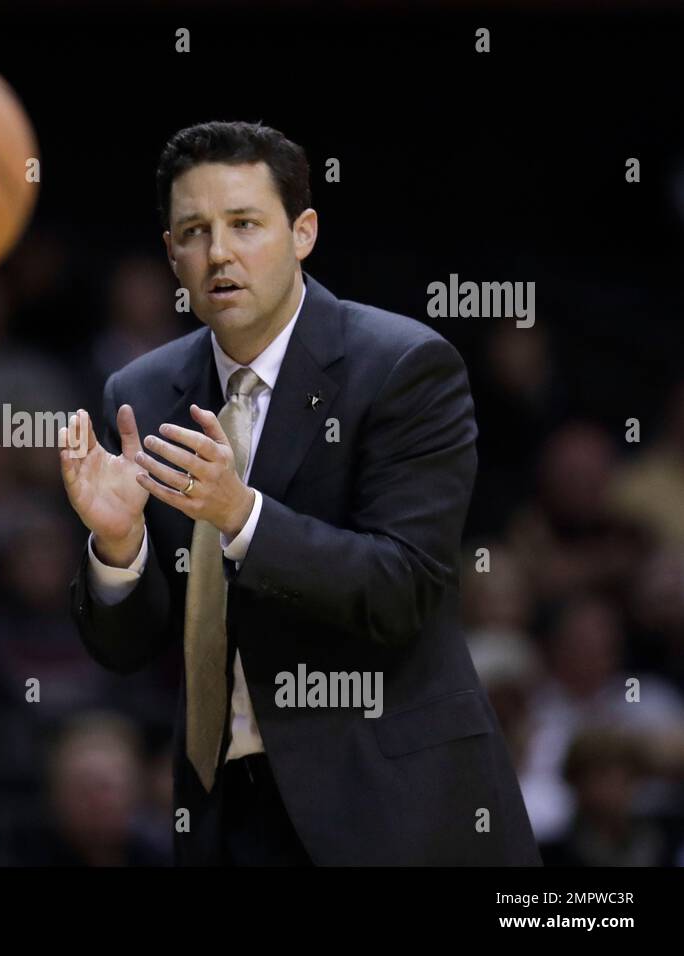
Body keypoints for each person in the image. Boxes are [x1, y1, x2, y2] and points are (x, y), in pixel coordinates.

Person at [60, 120, 540, 865]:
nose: (218, 252)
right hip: (225, 810)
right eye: (194, 231)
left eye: (244, 224)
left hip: (392, 800)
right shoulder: (141, 390)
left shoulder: (403, 365)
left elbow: (402, 588)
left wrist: (239, 515)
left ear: (303, 232)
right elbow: (131, 651)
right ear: (171, 256)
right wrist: (119, 545)